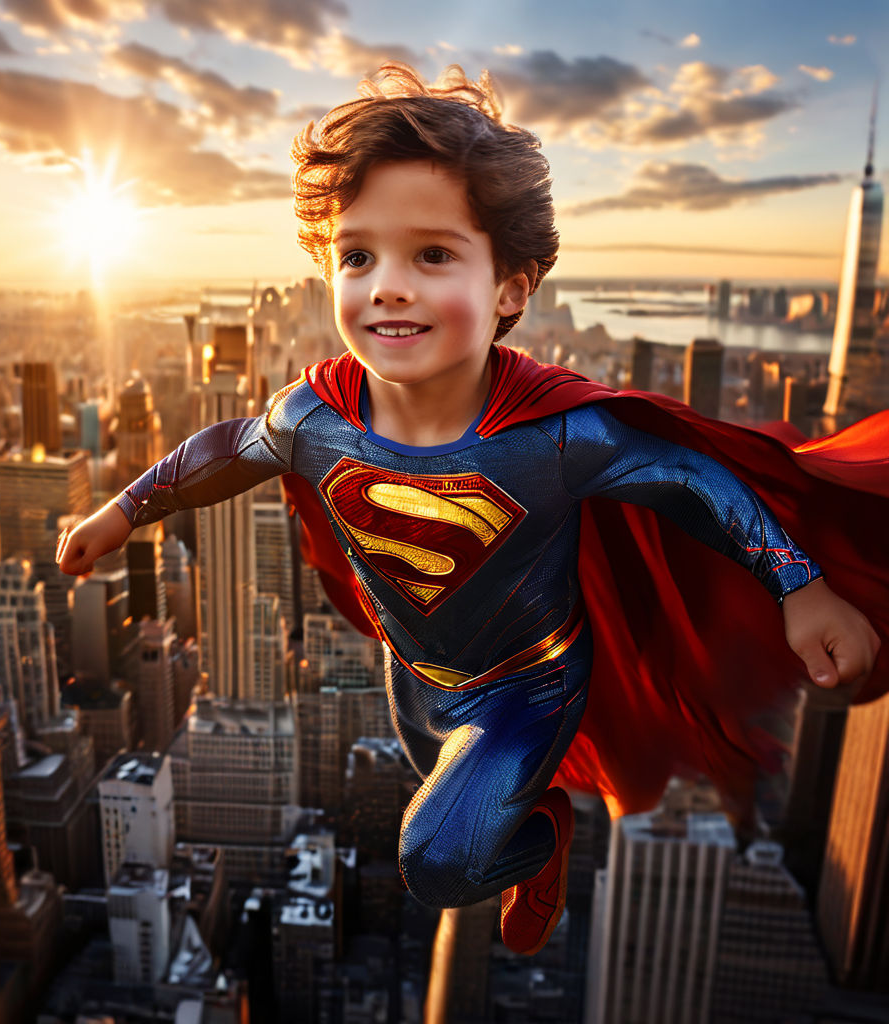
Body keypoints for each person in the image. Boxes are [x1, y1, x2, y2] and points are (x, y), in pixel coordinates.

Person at [57, 63, 885, 957]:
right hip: (412, 674)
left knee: (440, 861)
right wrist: (126, 510)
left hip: (530, 686)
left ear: (511, 289)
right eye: (358, 256)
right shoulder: (314, 418)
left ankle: (541, 837)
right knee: (440, 797)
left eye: (433, 255)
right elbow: (231, 449)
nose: (388, 286)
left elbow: (690, 481)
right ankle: (523, 822)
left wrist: (800, 585)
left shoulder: (558, 438)